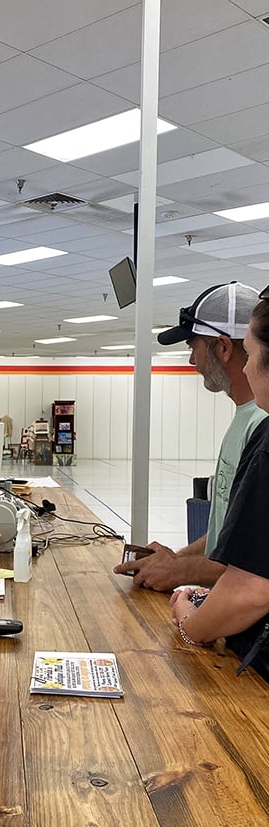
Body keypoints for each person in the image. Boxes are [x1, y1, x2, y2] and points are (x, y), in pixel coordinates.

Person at [114, 282, 265, 591]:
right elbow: (228, 532)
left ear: (223, 348)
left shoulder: (261, 424)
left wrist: (179, 572)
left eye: (193, 347)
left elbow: (253, 566)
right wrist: (175, 559)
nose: (192, 361)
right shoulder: (244, 417)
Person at [170, 286, 269, 681]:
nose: (246, 368)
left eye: (253, 354)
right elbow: (238, 535)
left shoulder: (263, 430)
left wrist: (189, 624)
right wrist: (178, 561)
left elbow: (251, 585)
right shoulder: (251, 421)